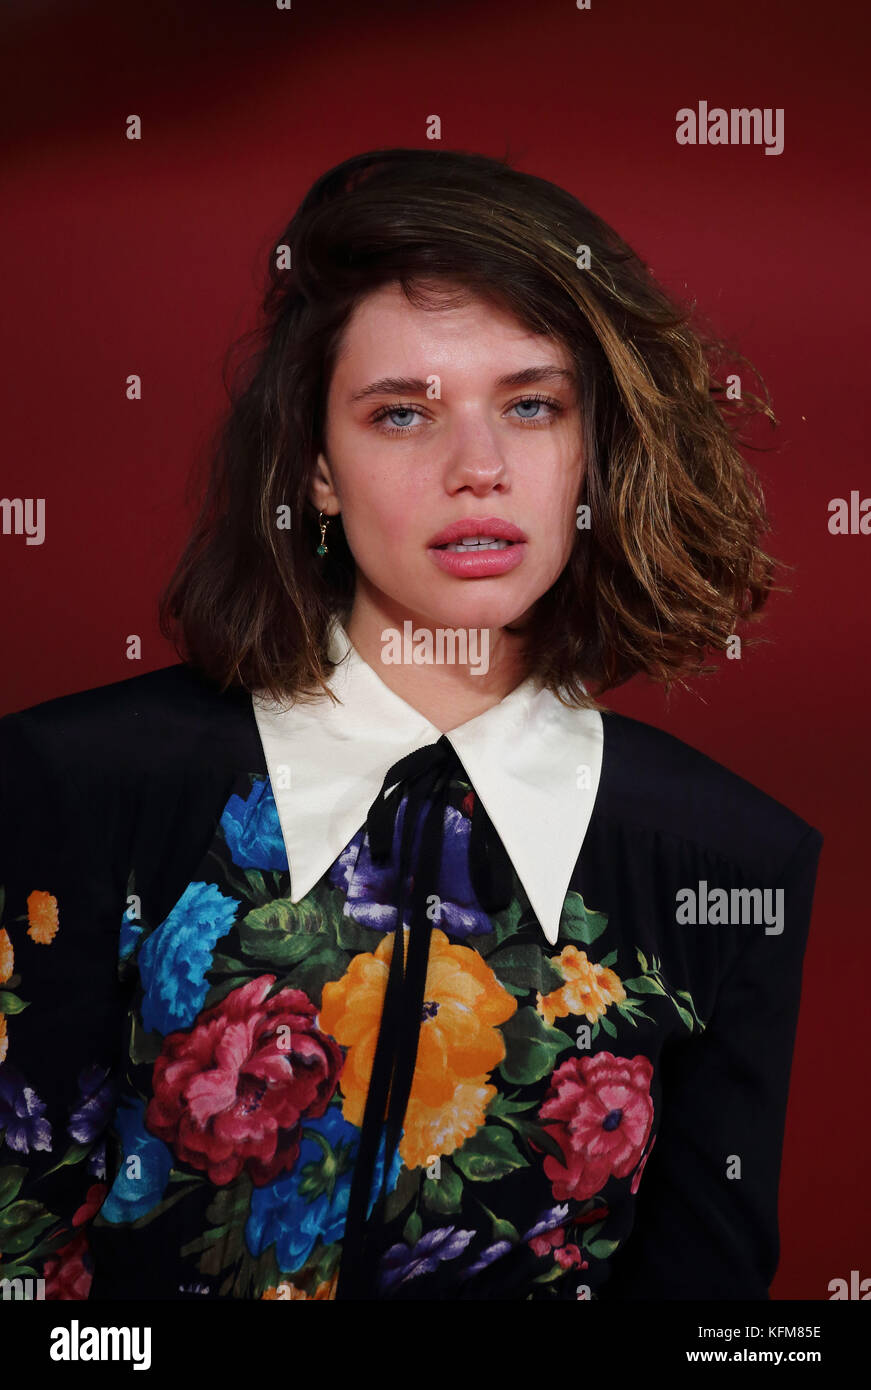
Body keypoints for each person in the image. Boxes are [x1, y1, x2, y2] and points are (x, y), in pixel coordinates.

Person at [0, 147, 823, 1302]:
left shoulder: (728, 857)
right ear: (318, 470)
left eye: (531, 405)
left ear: (592, 452)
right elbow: (21, 1258)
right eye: (401, 414)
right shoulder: (72, 783)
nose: (477, 468)